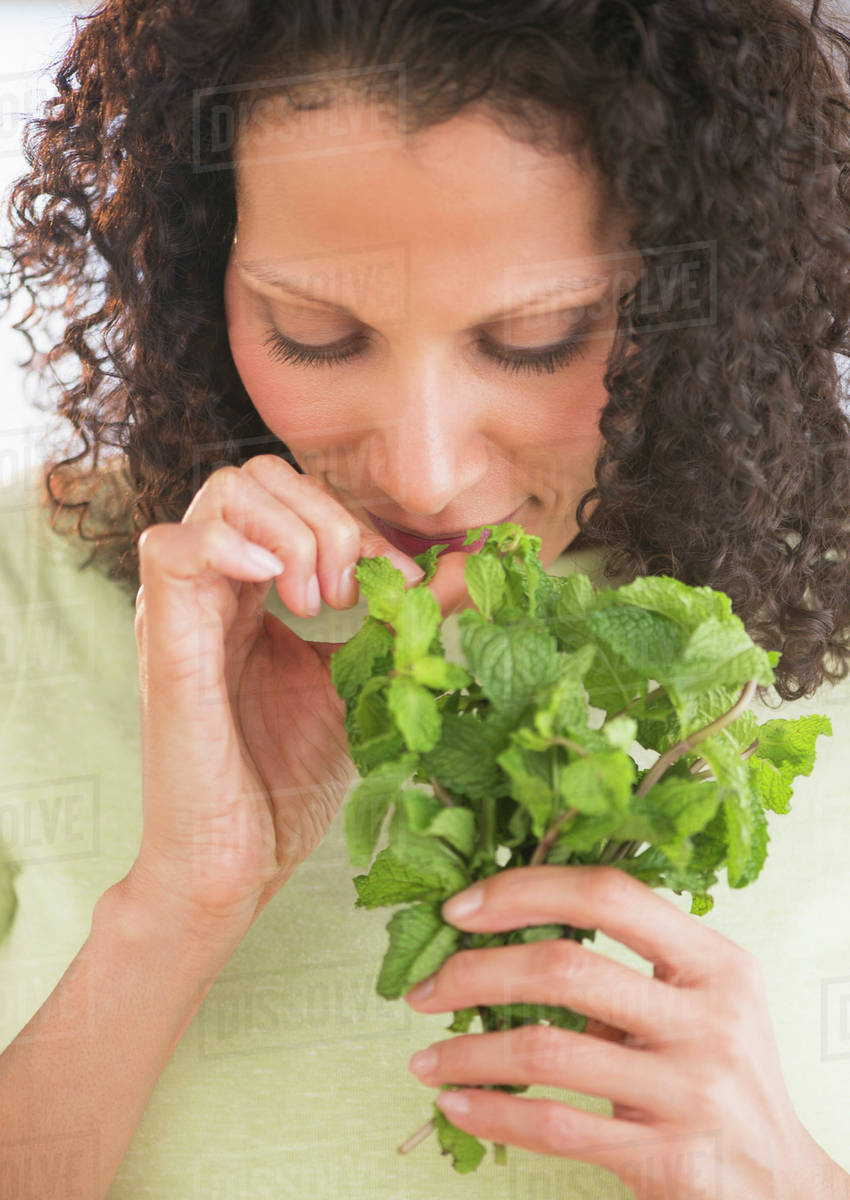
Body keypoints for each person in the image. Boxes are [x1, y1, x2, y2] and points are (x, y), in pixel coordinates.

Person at [1, 0, 850, 1196]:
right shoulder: (28, 583)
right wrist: (175, 908)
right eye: (312, 334)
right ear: (199, 271)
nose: (422, 469)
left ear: (697, 289)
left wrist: (789, 1178)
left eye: (537, 339)